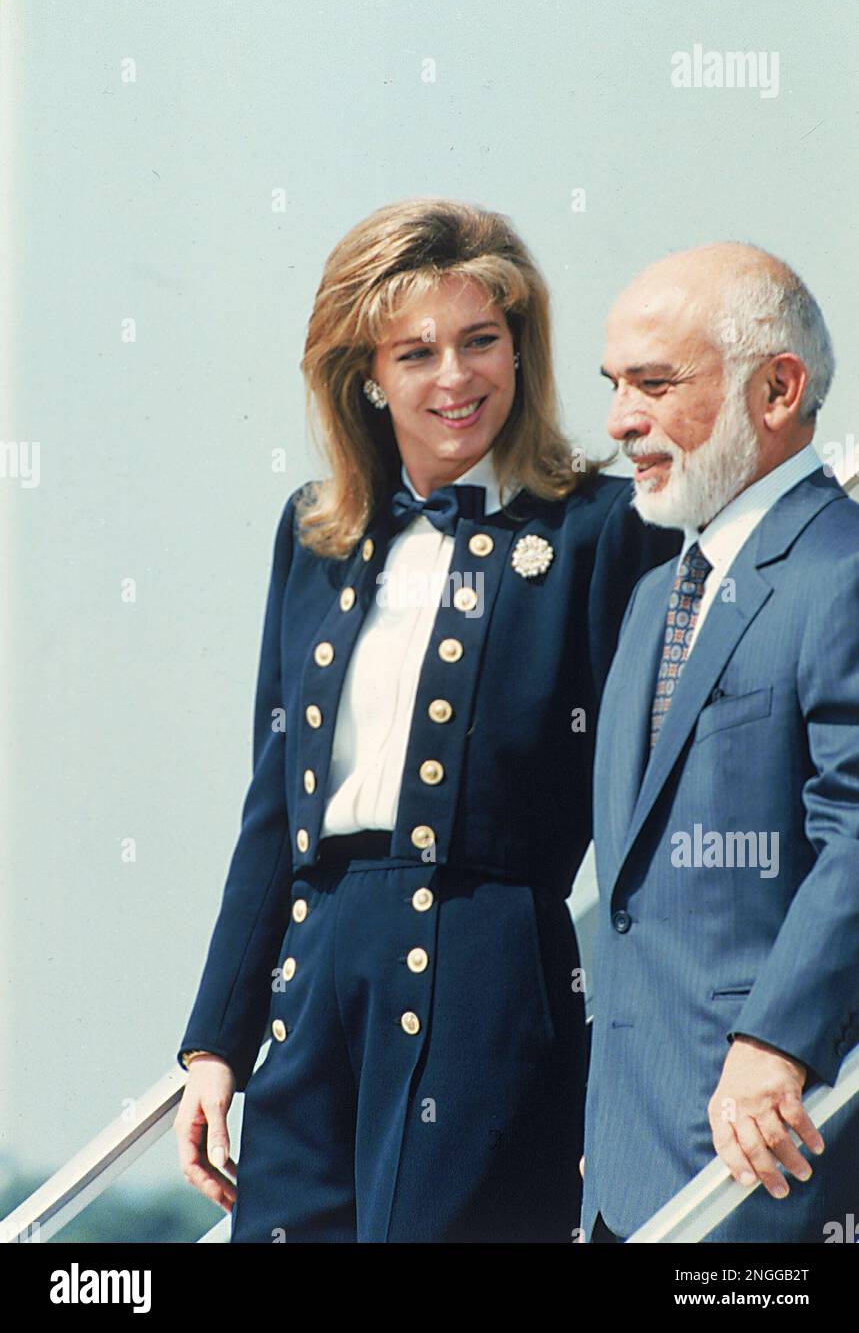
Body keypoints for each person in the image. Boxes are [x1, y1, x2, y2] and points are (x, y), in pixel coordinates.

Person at [173, 197, 679, 1243]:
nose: (455, 378)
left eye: (480, 340)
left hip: (493, 976)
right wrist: (215, 1044)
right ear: (364, 372)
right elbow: (275, 807)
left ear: (520, 348)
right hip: (314, 986)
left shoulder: (602, 528)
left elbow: (653, 808)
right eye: (416, 352)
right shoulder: (315, 532)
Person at [581, 242, 859, 1243]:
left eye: (654, 384)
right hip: (624, 1171)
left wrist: (778, 1040)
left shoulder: (843, 570)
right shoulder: (655, 595)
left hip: (774, 1160)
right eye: (613, 386)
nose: (619, 421)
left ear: (777, 388)